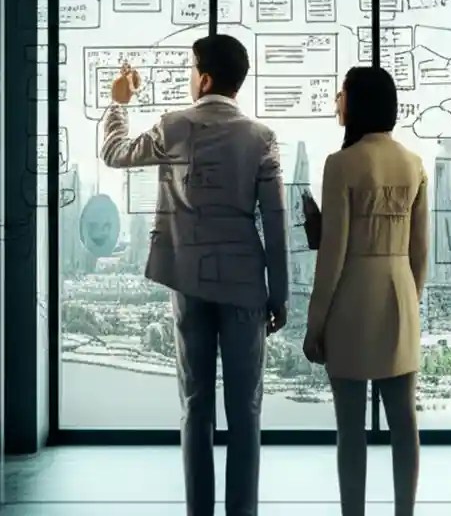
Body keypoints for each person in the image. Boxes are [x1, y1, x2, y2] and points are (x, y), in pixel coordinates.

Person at [101, 33, 287, 516]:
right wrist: (280, 294)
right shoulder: (261, 139)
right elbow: (275, 222)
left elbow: (114, 153)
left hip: (187, 282)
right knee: (246, 411)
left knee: (195, 406)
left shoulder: (173, 126)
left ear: (203, 78)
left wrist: (119, 103)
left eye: (190, 69)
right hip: (246, 285)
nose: (188, 77)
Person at [301, 66, 428, 516]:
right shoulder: (413, 164)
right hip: (399, 295)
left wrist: (315, 324)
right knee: (404, 422)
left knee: (349, 428)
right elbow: (420, 253)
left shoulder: (341, 164)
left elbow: (332, 254)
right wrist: (411, 302)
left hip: (353, 297)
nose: (337, 100)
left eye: (342, 94)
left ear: (358, 103)